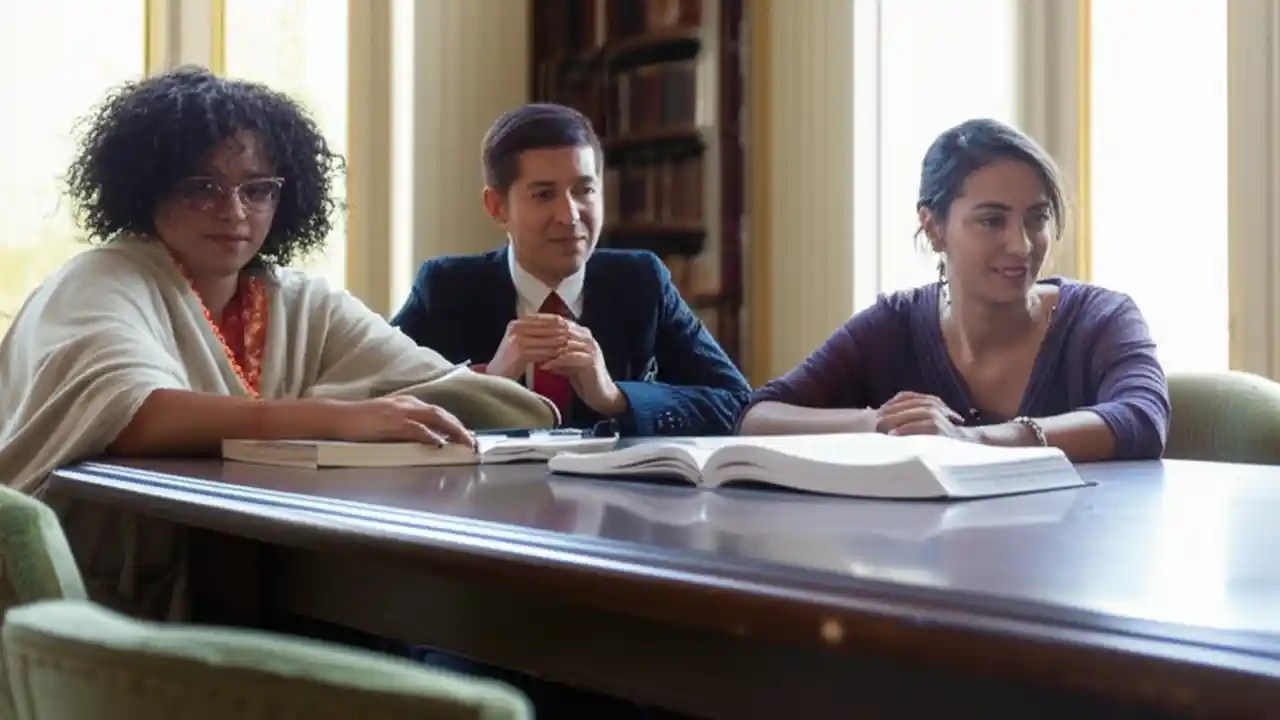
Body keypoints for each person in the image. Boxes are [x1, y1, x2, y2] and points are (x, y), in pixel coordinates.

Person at [0, 67, 556, 618]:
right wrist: (342, 418)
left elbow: (435, 388)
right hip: (91, 611)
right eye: (202, 188)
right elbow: (134, 416)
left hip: (267, 570)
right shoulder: (100, 280)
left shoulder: (298, 299)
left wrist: (512, 394)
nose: (235, 211)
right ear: (149, 187)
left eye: (257, 189)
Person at [739, 118, 1170, 461]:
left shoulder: (1101, 319)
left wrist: (973, 440)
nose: (1021, 245)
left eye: (1036, 219)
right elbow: (757, 417)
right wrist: (877, 424)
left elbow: (1141, 418)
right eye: (991, 220)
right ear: (934, 228)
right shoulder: (894, 327)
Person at [390, 103, 750, 437]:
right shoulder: (447, 289)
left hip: (614, 502)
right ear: (497, 206)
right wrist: (486, 383)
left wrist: (616, 397)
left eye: (585, 190)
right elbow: (373, 398)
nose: (571, 215)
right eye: (544, 195)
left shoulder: (640, 281)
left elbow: (735, 403)